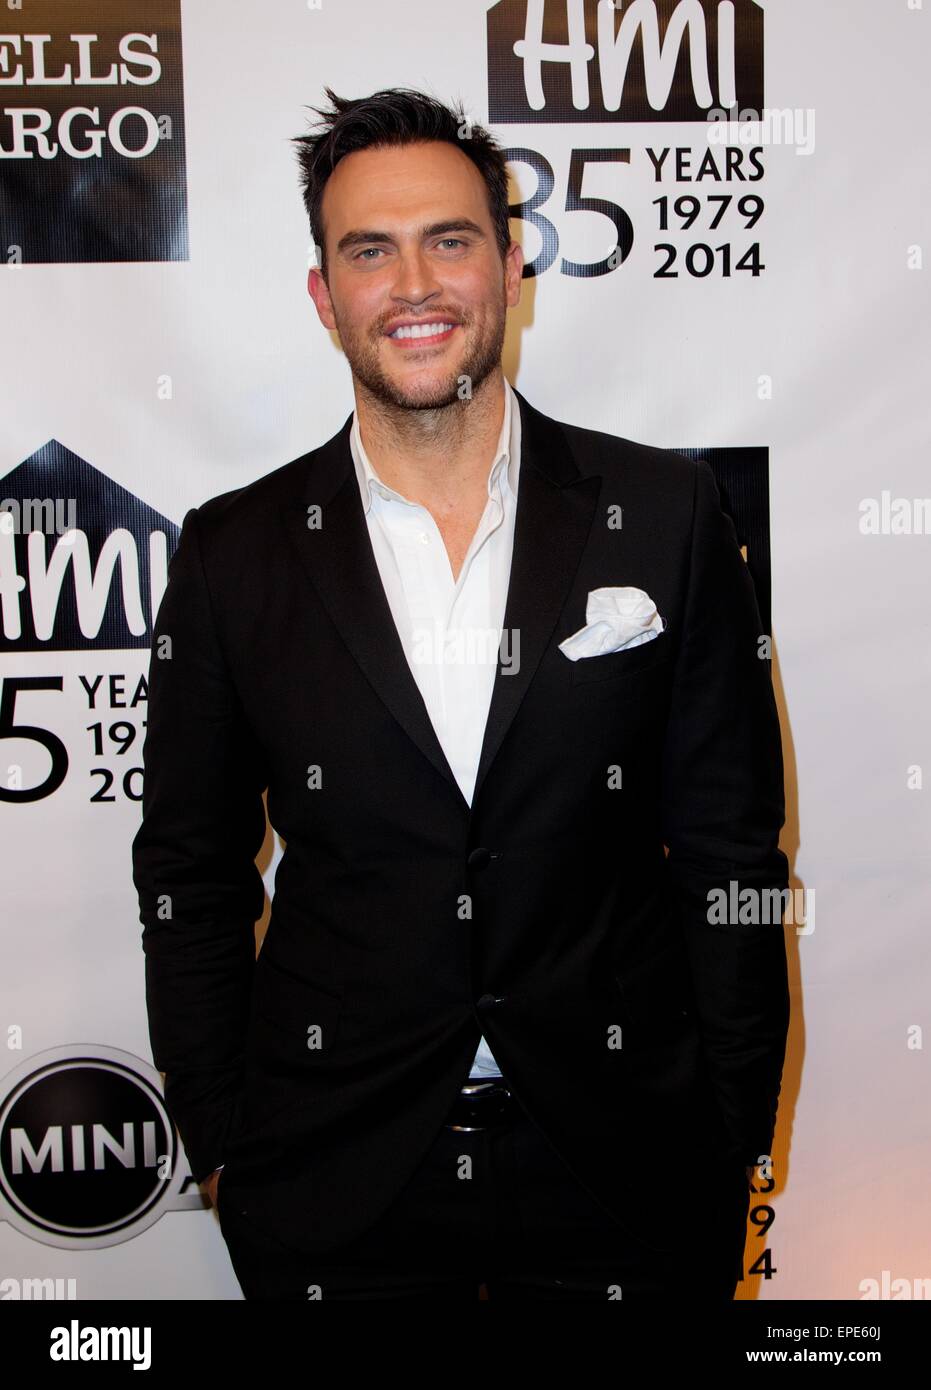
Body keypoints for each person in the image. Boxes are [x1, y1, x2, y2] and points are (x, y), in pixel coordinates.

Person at [131, 86, 790, 1300]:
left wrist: (734, 1127)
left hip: (626, 1164)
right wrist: (225, 1138)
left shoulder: (663, 516)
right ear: (326, 298)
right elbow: (191, 869)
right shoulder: (238, 551)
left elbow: (730, 853)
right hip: (335, 1180)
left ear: (510, 266)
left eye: (449, 239)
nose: (415, 284)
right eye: (369, 251)